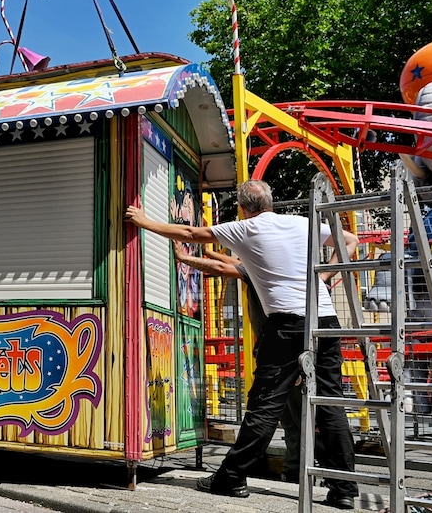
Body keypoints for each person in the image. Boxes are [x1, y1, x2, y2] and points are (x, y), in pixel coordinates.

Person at [126, 179, 359, 510]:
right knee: (331, 404)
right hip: (326, 321)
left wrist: (143, 221)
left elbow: (193, 235)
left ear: (243, 208)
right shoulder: (302, 223)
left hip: (287, 325)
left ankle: (232, 477)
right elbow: (350, 241)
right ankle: (345, 489)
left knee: (265, 405)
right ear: (271, 201)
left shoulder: (247, 228)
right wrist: (321, 278)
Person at [178, 247, 303, 483]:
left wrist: (186, 257)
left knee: (269, 413)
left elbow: (226, 267)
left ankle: (270, 470)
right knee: (292, 415)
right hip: (292, 347)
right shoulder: (282, 269)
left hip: (278, 350)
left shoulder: (260, 269)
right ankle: (306, 472)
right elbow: (233, 262)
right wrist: (207, 251)